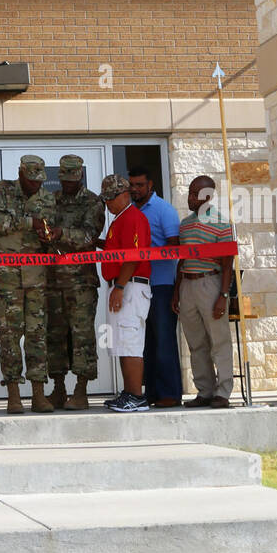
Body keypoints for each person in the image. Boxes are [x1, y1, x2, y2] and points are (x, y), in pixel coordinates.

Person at [0, 153, 57, 414]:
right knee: (10, 335)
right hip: (7, 278)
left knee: (37, 334)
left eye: (39, 181)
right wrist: (29, 222)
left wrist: (47, 235)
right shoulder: (1, 190)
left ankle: (39, 393)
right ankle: (13, 393)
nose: (36, 185)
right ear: (21, 173)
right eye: (31, 179)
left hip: (35, 276)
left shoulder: (47, 198)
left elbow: (51, 228)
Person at [173, 175, 235, 409]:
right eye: (189, 192)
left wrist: (223, 295)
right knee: (196, 341)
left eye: (193, 193)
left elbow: (227, 263)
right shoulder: (185, 224)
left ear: (207, 196)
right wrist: (177, 291)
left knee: (219, 340)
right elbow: (181, 260)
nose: (189, 197)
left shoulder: (221, 223)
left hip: (211, 283)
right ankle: (205, 391)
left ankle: (223, 392)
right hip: (188, 284)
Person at [46, 155, 101, 410]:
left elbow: (90, 236)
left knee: (82, 337)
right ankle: (58, 388)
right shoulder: (52, 200)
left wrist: (62, 234)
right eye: (63, 179)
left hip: (81, 282)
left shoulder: (92, 202)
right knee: (54, 335)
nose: (67, 184)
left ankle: (81, 390)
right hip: (52, 278)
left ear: (80, 176)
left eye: (72, 179)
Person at [98, 173, 152, 413]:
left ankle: (136, 396)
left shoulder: (132, 218)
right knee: (120, 342)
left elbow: (133, 256)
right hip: (122, 285)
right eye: (105, 199)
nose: (108, 203)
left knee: (130, 343)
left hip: (130, 285)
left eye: (111, 198)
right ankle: (128, 392)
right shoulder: (120, 219)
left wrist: (119, 287)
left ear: (124, 195)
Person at [129, 164, 183, 408]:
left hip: (161, 285)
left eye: (140, 185)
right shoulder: (130, 211)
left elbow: (174, 247)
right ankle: (152, 394)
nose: (135, 189)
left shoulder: (164, 210)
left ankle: (170, 394)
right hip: (139, 285)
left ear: (151, 185)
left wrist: (144, 253)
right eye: (132, 185)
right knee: (146, 342)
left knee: (163, 341)